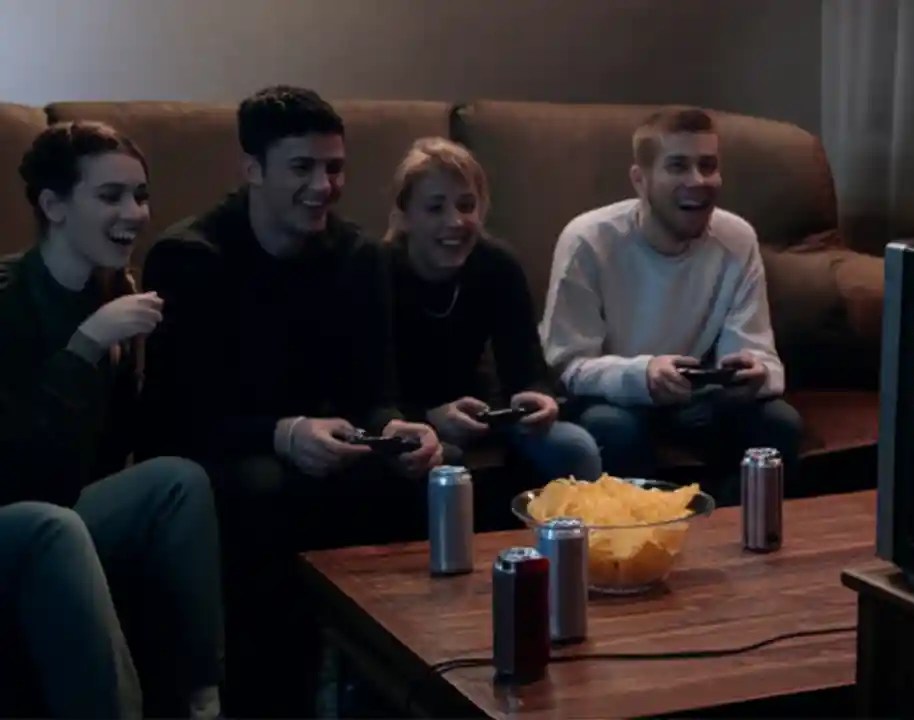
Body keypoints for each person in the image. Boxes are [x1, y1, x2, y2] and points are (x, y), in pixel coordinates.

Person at [136, 85, 441, 716]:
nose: (324, 186)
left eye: (334, 167)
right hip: (227, 452)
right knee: (265, 486)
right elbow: (175, 417)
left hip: (332, 448)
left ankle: (396, 686)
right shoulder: (190, 257)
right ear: (252, 170)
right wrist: (283, 431)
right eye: (302, 168)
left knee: (422, 479)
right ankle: (266, 698)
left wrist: (399, 428)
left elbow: (376, 393)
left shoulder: (358, 256)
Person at [0, 120, 223, 718]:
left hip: (64, 509)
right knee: (54, 525)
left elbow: (117, 450)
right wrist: (85, 348)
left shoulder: (113, 294)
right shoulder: (8, 298)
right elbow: (19, 469)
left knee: (179, 479)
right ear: (53, 206)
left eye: (140, 195)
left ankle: (203, 702)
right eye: (110, 196)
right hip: (16, 520)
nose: (135, 213)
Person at [540, 107, 803, 503]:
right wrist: (643, 375)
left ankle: (731, 543)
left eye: (708, 166)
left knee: (779, 424)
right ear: (640, 180)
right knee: (613, 430)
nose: (697, 181)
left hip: (695, 399)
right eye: (678, 166)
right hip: (611, 400)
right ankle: (642, 543)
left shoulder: (737, 239)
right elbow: (566, 366)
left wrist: (752, 373)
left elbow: (756, 350)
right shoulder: (588, 241)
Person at [384, 137, 601, 485]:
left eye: (467, 206)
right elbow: (368, 396)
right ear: (403, 216)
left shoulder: (497, 265)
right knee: (438, 464)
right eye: (435, 208)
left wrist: (537, 398)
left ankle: (578, 539)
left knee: (575, 446)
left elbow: (526, 368)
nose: (456, 221)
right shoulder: (377, 272)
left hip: (489, 413)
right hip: (406, 422)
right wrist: (430, 417)